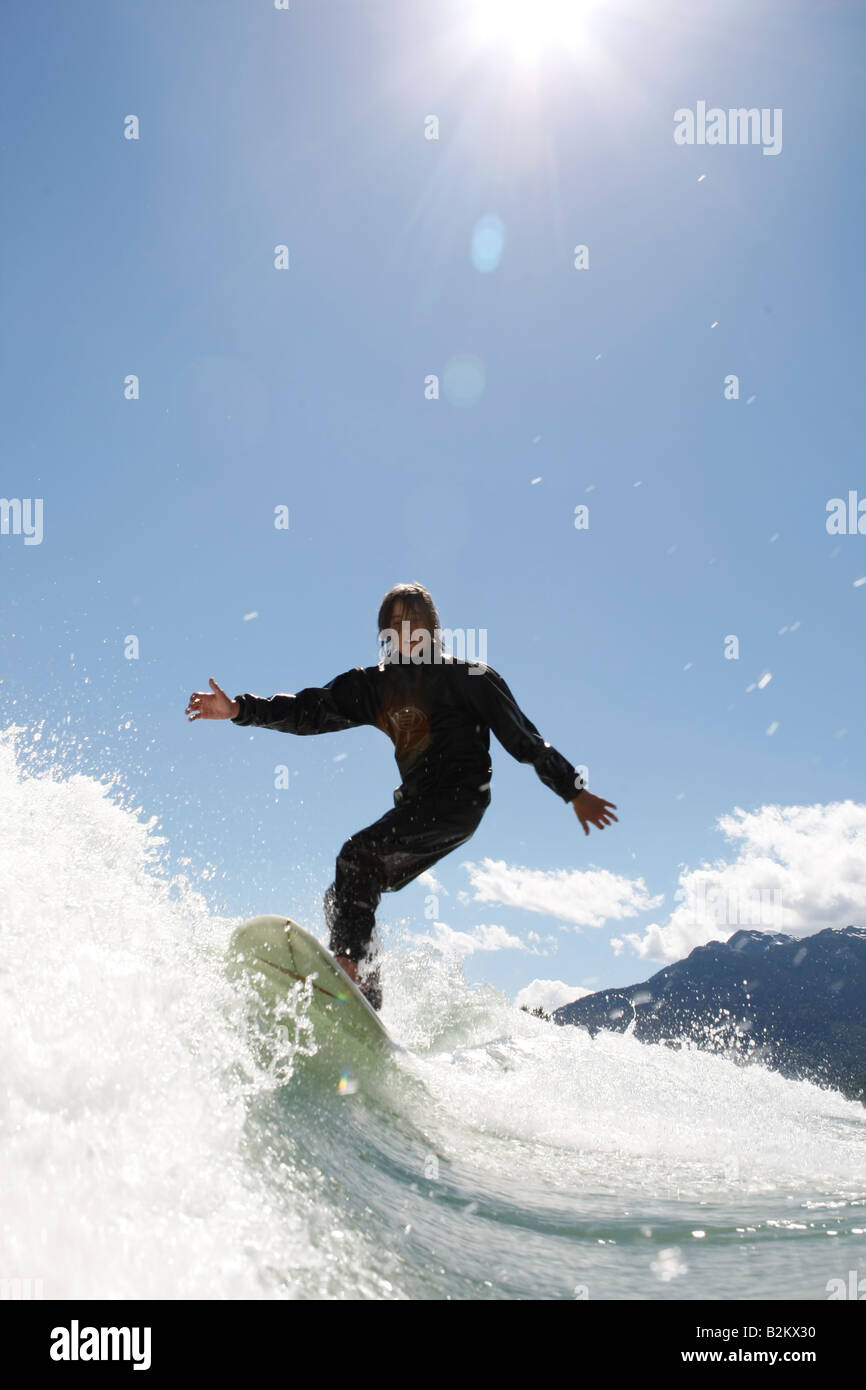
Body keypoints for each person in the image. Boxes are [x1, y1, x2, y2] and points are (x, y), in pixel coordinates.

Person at [186, 582, 617, 1011]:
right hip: (416, 804)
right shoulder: (376, 686)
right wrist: (241, 709)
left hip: (460, 801)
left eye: (413, 621)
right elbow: (309, 710)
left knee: (358, 856)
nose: (404, 630)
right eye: (394, 624)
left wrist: (573, 790)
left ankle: (347, 970)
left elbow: (525, 740)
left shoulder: (470, 677)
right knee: (344, 894)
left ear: (432, 628)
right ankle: (367, 991)